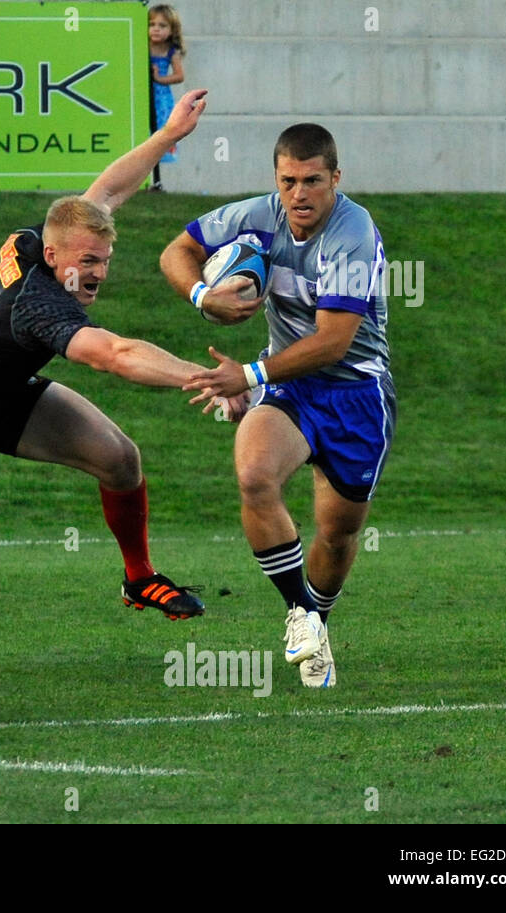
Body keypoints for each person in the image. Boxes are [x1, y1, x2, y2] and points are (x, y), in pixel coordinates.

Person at [0, 88, 242, 672]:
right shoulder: (39, 305)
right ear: (54, 256)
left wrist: (169, 135)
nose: (97, 273)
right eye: (88, 263)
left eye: (103, 260)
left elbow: (105, 193)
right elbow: (116, 355)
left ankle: (138, 578)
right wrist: (208, 377)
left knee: (119, 459)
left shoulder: (39, 239)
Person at [159, 123, 396, 688]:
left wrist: (247, 374)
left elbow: (334, 342)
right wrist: (201, 295)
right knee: (254, 474)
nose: (299, 194)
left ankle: (317, 619)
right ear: (277, 179)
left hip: (357, 393)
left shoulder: (353, 234)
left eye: (313, 180)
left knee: (337, 533)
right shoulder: (257, 215)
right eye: (289, 180)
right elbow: (178, 250)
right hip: (289, 387)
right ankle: (301, 615)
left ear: (335, 179)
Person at [147, 4, 186, 189]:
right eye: (152, 24)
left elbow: (179, 75)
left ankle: (156, 180)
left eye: (162, 26)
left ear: (172, 30)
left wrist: (159, 78)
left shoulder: (171, 50)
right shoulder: (141, 45)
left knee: (161, 133)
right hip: (143, 96)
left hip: (160, 97)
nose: (155, 29)